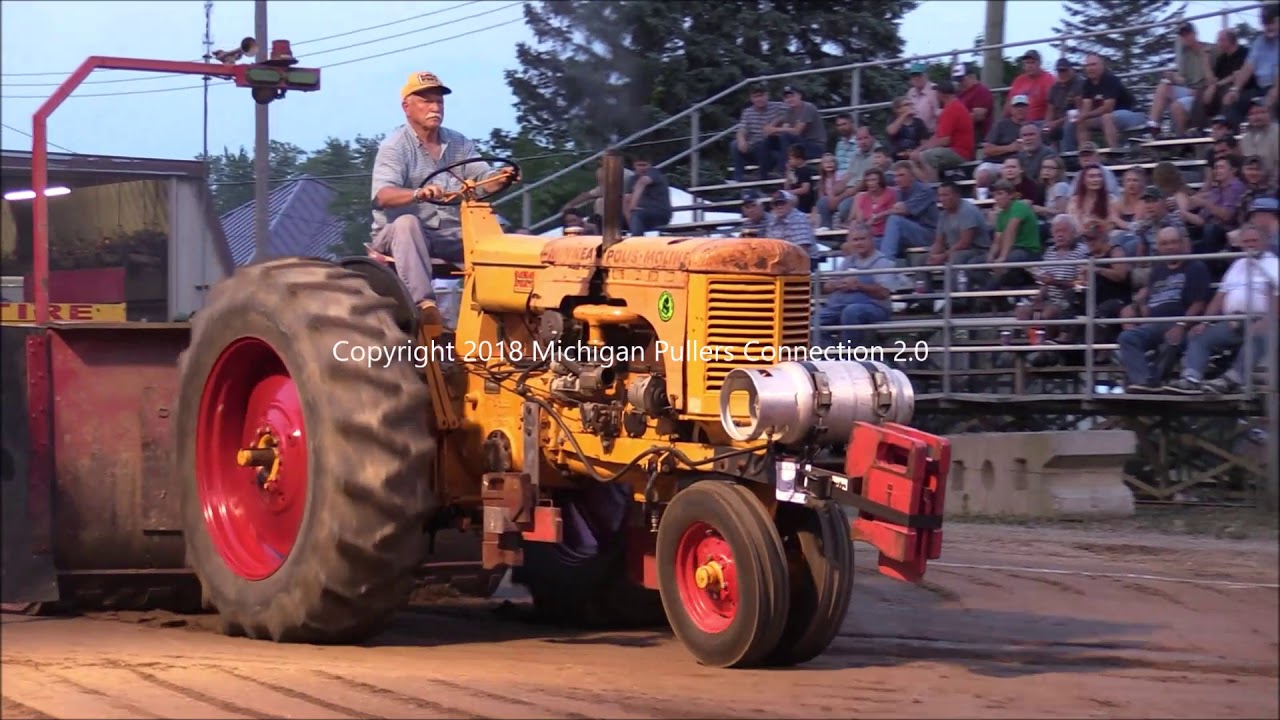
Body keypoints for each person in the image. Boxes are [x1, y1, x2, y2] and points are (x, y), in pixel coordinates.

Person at [369, 71, 513, 321]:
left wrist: (499, 179)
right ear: (406, 107)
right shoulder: (394, 146)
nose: (435, 107)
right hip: (401, 236)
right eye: (426, 101)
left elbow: (481, 181)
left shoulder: (459, 143)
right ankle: (424, 307)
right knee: (407, 223)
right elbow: (383, 195)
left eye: (439, 101)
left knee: (499, 230)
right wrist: (418, 194)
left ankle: (506, 308)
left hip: (448, 233)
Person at [1163, 222, 1277, 395]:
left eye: (1254, 240)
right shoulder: (1237, 265)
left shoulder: (1274, 264)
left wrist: (1268, 319)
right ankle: (1191, 379)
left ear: (1264, 242)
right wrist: (1204, 322)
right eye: (1247, 242)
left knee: (1259, 335)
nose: (1251, 245)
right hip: (1234, 320)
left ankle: (1232, 379)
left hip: (1262, 319)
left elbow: (1277, 295)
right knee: (1199, 336)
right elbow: (1220, 296)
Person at [1116, 226, 1212, 392]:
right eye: (1164, 244)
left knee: (1171, 340)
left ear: (1182, 244)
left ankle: (1153, 380)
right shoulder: (1157, 270)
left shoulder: (1196, 266)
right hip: (1153, 324)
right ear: (1158, 247)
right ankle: (1143, 382)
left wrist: (1181, 325)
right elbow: (1152, 303)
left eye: (1173, 242)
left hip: (1181, 323)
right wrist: (1140, 305)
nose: (1169, 247)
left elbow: (1199, 303)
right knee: (1127, 337)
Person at [818, 224, 906, 347]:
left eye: (863, 239)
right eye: (855, 240)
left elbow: (883, 293)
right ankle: (834, 354)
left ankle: (849, 356)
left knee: (851, 312)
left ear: (871, 239)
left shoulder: (883, 262)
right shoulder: (847, 261)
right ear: (850, 242)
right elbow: (827, 287)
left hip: (874, 308)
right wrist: (838, 284)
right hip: (840, 306)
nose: (859, 243)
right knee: (810, 323)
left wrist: (859, 285)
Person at [1064, 54, 1147, 153]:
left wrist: (1085, 115)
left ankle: (1115, 153)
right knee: (1082, 122)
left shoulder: (1110, 79)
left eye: (1093, 65)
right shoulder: (1087, 84)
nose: (1090, 68)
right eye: (1087, 65)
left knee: (1106, 116)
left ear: (1101, 65)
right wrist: (1081, 114)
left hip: (1130, 113)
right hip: (1108, 117)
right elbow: (1086, 106)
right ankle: (1085, 153)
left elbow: (1108, 108)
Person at [1145, 22, 1212, 136]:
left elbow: (1213, 79)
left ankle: (1182, 139)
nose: (1185, 37)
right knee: (1163, 86)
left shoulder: (1209, 50)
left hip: (1202, 92)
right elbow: (1183, 79)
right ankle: (1153, 125)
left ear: (1194, 34)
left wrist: (1199, 91)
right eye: (1182, 35)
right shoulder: (1186, 54)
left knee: (1176, 106)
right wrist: (1173, 77)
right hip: (1190, 90)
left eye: (1187, 34)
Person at [909, 79, 973, 183]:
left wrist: (922, 152)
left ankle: (933, 188)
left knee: (927, 156)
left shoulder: (952, 109)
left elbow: (944, 141)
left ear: (941, 94)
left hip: (960, 152)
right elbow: (937, 136)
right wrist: (919, 149)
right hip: (957, 150)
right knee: (920, 156)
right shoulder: (952, 107)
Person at [879, 160, 940, 259]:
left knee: (895, 220)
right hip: (909, 232)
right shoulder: (899, 191)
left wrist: (878, 216)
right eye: (896, 176)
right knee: (871, 241)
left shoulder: (924, 190)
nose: (897, 179)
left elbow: (903, 210)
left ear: (912, 177)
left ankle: (886, 265)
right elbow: (897, 209)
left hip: (928, 234)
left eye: (901, 175)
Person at [731, 84, 787, 182]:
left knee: (765, 144)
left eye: (761, 95)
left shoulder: (778, 106)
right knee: (735, 144)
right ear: (751, 98)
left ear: (767, 95)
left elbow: (792, 112)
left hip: (771, 149)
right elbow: (742, 129)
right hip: (754, 148)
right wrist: (741, 140)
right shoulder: (748, 112)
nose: (759, 99)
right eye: (755, 96)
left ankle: (763, 175)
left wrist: (776, 122)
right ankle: (738, 177)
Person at [975, 94, 1031, 188]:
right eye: (1017, 107)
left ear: (1028, 109)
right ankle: (981, 200)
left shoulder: (1032, 128)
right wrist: (1010, 148)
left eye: (1023, 107)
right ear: (1011, 109)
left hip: (1021, 164)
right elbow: (987, 150)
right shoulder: (1001, 125)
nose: (1020, 109)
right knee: (983, 176)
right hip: (996, 163)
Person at [766, 86, 827, 160]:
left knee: (785, 136)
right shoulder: (789, 112)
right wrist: (775, 128)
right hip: (800, 146)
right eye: (787, 97)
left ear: (800, 96)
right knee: (770, 140)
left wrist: (776, 130)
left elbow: (796, 131)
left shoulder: (808, 107)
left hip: (815, 147)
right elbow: (767, 130)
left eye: (792, 96)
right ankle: (763, 171)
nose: (790, 99)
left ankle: (783, 169)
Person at [766, 190, 821, 267]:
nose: (779, 207)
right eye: (776, 204)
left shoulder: (799, 219)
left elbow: (802, 251)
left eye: (782, 203)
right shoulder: (772, 221)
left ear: (790, 204)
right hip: (782, 260)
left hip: (805, 261)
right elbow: (771, 248)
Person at [623, 153, 672, 235]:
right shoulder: (632, 179)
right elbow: (626, 198)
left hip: (659, 212)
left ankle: (637, 241)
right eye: (639, 165)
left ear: (650, 165)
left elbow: (642, 182)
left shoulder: (654, 173)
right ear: (634, 166)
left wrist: (632, 206)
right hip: (639, 214)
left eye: (644, 165)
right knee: (612, 220)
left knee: (637, 214)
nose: (642, 168)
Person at [1007, 49, 1057, 124]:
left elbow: (1052, 105)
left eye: (1033, 62)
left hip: (1038, 121)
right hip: (1018, 121)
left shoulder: (1048, 79)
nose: (1030, 66)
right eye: (1027, 63)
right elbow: (1009, 103)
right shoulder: (1019, 80)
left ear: (1039, 63)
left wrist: (1047, 124)